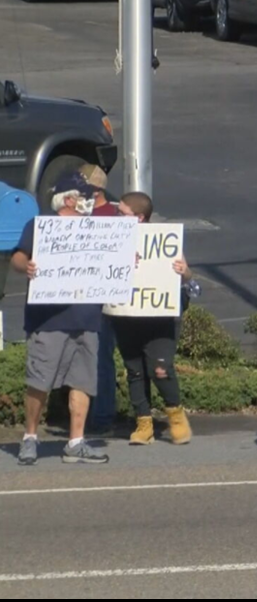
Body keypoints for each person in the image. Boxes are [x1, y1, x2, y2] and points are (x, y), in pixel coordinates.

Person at [12, 173, 109, 465]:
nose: (90, 201)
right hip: (48, 318)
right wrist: (26, 266)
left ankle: (76, 442)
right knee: (40, 380)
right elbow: (18, 255)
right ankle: (30, 437)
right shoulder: (41, 226)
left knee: (83, 381)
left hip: (87, 316)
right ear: (68, 199)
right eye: (85, 197)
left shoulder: (97, 229)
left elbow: (112, 256)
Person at [112, 192, 195, 445]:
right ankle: (143, 423)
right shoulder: (114, 239)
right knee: (135, 371)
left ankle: (176, 415)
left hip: (160, 318)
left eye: (122, 213)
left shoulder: (162, 239)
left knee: (160, 369)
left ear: (139, 217)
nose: (118, 217)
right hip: (127, 316)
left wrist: (184, 272)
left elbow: (188, 277)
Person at [79, 163, 119, 434]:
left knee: (101, 356)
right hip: (79, 296)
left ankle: (102, 416)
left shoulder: (117, 215)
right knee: (84, 356)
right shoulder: (76, 214)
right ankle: (87, 415)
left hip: (106, 299)